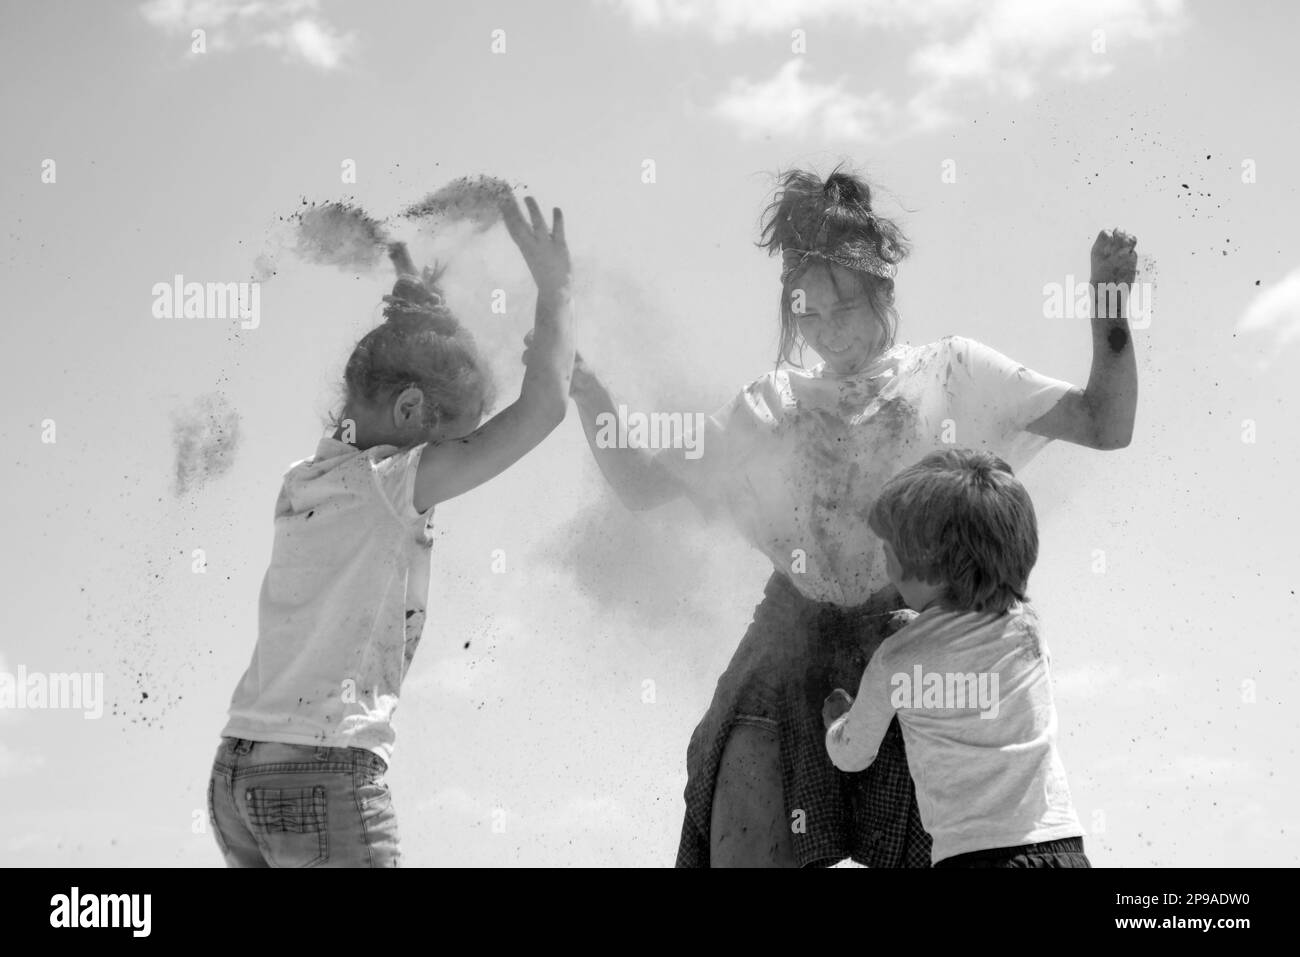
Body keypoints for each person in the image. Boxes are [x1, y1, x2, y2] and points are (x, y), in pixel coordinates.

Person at [568, 165, 1137, 866]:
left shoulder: (952, 373)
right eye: (809, 313)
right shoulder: (768, 404)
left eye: (845, 308)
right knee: (734, 776)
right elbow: (641, 485)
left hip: (922, 639)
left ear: (883, 292)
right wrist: (587, 391)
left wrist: (1110, 303)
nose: (829, 332)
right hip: (789, 642)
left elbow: (1105, 422)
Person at [206, 195, 574, 866]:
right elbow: (545, 406)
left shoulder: (302, 481)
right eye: (450, 446)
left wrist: (418, 303)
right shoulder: (390, 480)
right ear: (409, 410)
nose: (448, 473)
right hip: (318, 774)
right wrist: (557, 290)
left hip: (238, 777)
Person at [824, 449, 1089, 868]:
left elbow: (852, 754)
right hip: (1061, 848)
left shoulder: (895, 658)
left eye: (889, 555)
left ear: (926, 563)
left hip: (972, 857)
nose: (886, 569)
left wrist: (837, 720)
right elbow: (965, 648)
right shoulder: (1026, 628)